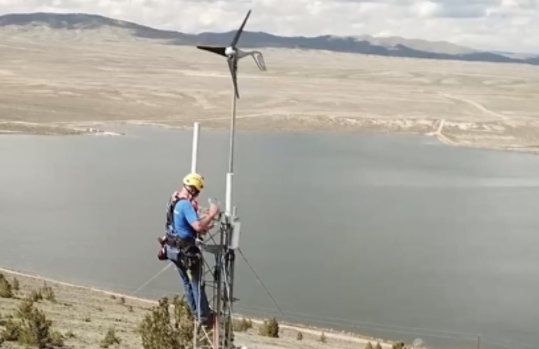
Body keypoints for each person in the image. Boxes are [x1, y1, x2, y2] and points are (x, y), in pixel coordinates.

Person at [164, 172, 220, 326]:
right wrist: (212, 214)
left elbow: (185, 222)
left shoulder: (174, 200)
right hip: (185, 252)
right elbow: (198, 226)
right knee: (196, 282)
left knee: (186, 282)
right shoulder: (186, 205)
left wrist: (204, 219)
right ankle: (203, 317)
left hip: (172, 249)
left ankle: (197, 312)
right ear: (194, 190)